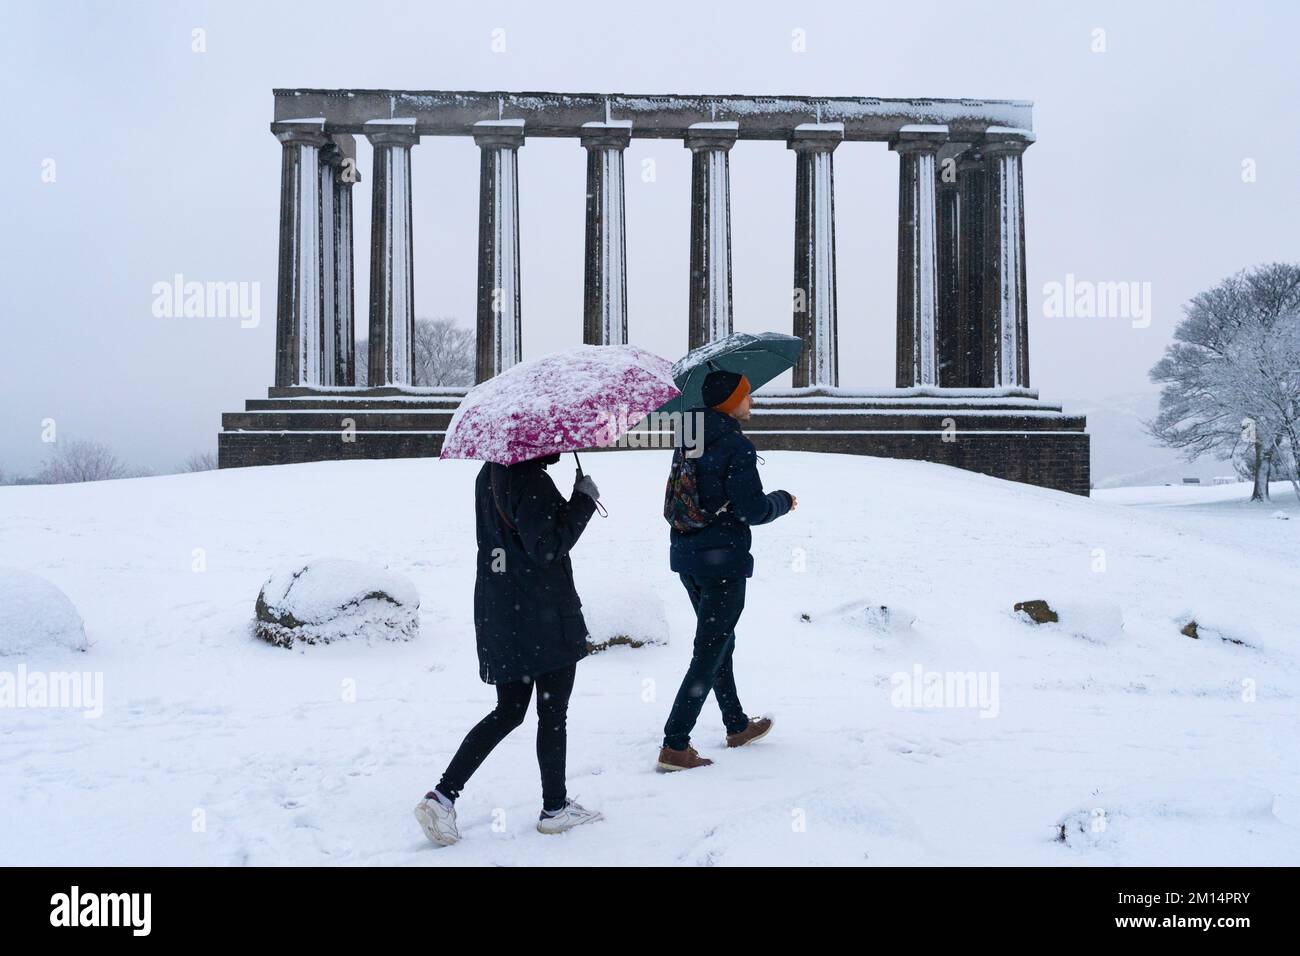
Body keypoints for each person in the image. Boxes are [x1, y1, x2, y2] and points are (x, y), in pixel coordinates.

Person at [414, 453, 605, 845]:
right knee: (552, 712)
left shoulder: (491, 472)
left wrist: (567, 505)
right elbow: (547, 547)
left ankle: (443, 796)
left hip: (504, 610)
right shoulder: (529, 479)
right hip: (543, 613)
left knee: (509, 711)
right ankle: (555, 808)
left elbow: (518, 539)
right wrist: (583, 502)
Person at [657, 370, 797, 772]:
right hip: (722, 560)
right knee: (709, 650)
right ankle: (674, 745)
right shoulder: (736, 446)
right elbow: (752, 509)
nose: (751, 401)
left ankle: (736, 725)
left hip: (688, 557)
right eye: (746, 395)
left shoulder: (689, 436)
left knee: (719, 642)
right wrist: (783, 501)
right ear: (728, 402)